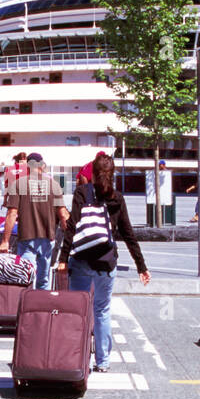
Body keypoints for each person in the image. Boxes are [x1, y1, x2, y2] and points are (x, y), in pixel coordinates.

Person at [58, 153, 150, 373]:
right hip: (107, 262)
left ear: (92, 172)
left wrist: (63, 258)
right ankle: (103, 362)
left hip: (81, 260)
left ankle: (78, 359)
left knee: (80, 310)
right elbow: (128, 233)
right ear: (113, 173)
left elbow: (72, 226)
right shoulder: (117, 197)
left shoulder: (82, 192)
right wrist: (141, 266)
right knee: (102, 310)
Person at [0, 152, 68, 290]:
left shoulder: (18, 185)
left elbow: (12, 214)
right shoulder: (54, 185)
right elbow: (63, 214)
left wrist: (5, 241)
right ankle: (42, 307)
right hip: (48, 237)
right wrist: (70, 239)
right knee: (44, 279)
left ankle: (26, 308)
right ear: (42, 165)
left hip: (26, 237)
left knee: (25, 278)